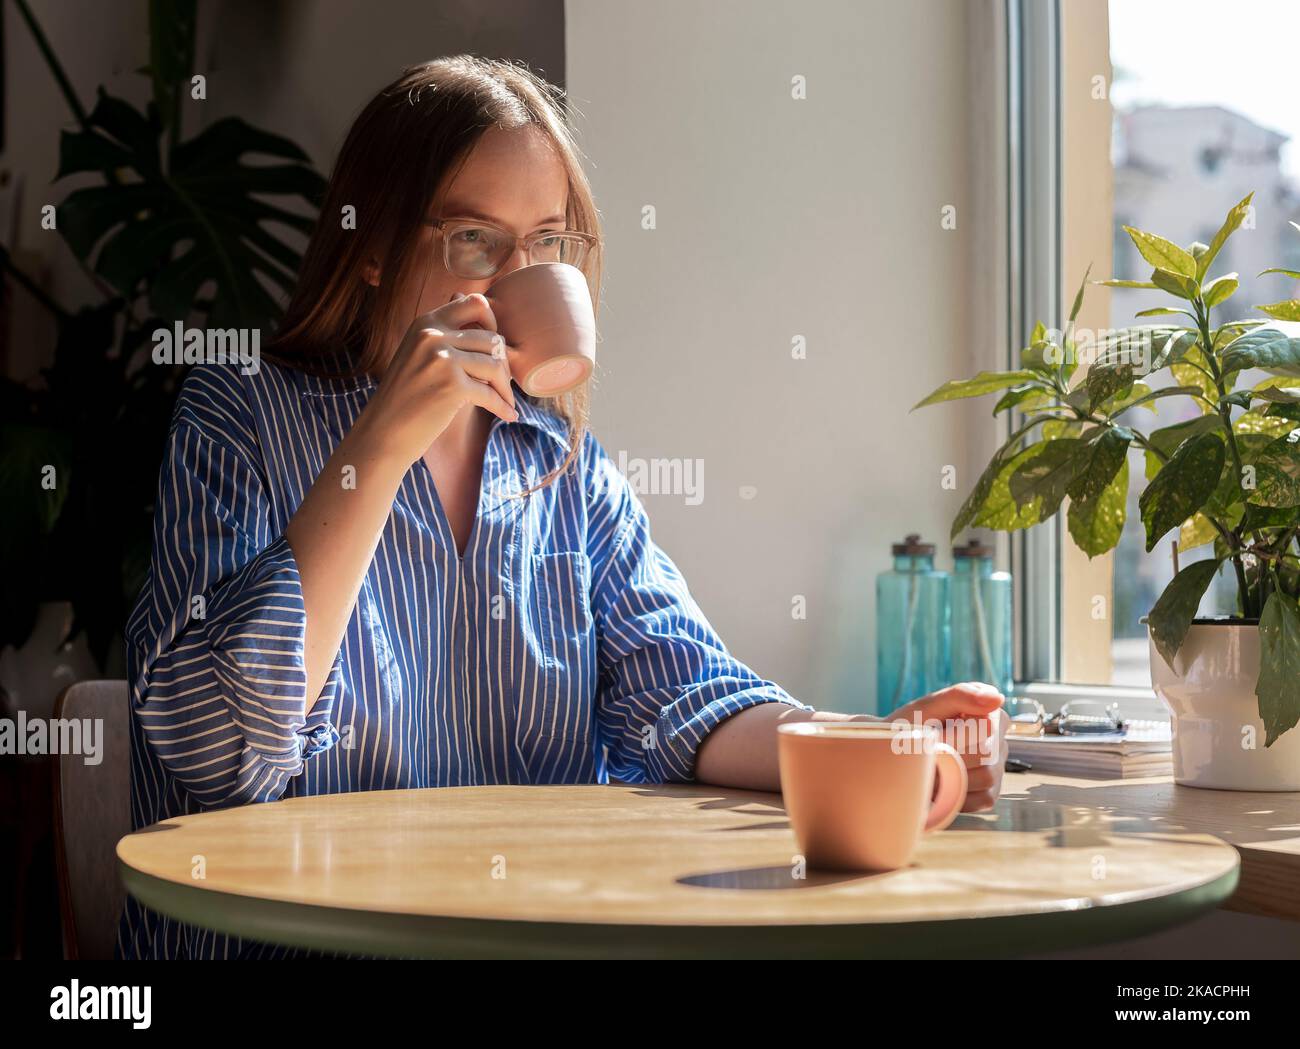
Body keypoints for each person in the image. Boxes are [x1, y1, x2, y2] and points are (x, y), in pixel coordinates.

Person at [118, 55, 1007, 959]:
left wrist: (870, 745)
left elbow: (684, 693)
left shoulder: (568, 469)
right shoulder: (240, 416)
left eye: (544, 243)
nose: (517, 277)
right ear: (375, 245)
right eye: (476, 240)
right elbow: (218, 748)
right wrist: (379, 447)